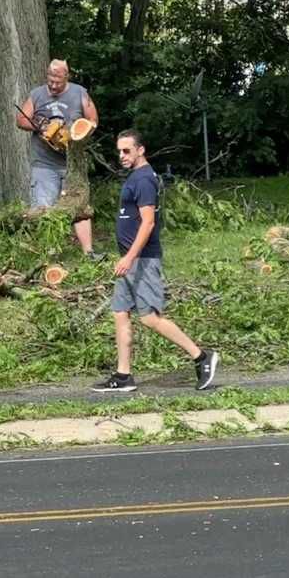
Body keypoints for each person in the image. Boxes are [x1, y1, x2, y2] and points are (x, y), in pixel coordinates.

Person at [92, 129, 220, 393]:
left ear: (141, 150)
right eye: (119, 151)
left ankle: (202, 357)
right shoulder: (136, 177)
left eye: (126, 150)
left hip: (142, 260)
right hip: (130, 260)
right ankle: (124, 375)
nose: (121, 155)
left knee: (149, 318)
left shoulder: (144, 180)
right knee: (120, 313)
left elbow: (148, 222)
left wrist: (129, 257)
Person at [16, 59, 104, 260]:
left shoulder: (79, 92)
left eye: (58, 82)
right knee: (44, 207)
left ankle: (88, 253)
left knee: (79, 205)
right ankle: (47, 255)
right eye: (51, 81)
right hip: (44, 162)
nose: (54, 85)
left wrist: (75, 133)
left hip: (72, 163)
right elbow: (21, 120)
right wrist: (41, 126)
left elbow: (93, 120)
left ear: (67, 76)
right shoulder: (37, 94)